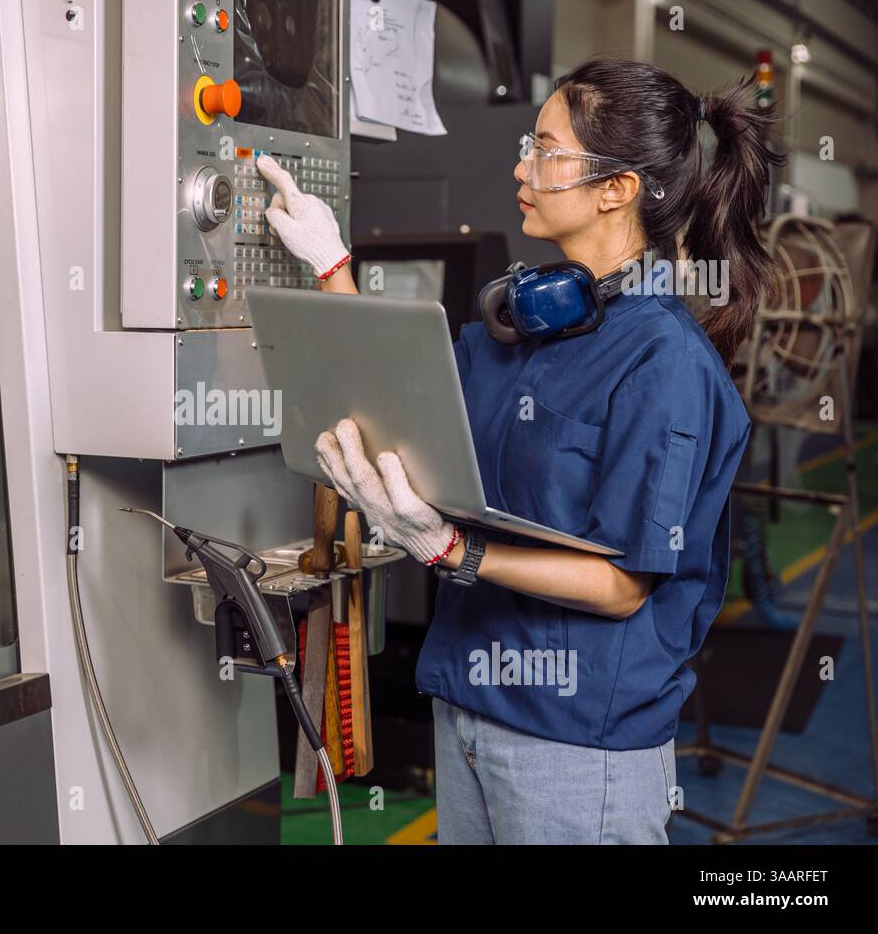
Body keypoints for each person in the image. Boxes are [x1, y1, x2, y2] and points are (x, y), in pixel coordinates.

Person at [256, 57, 785, 844]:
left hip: (577, 744)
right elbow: (394, 402)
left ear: (617, 188)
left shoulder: (664, 363)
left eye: (544, 149)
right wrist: (331, 264)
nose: (521, 167)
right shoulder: (527, 328)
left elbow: (620, 585)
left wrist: (451, 552)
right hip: (469, 708)